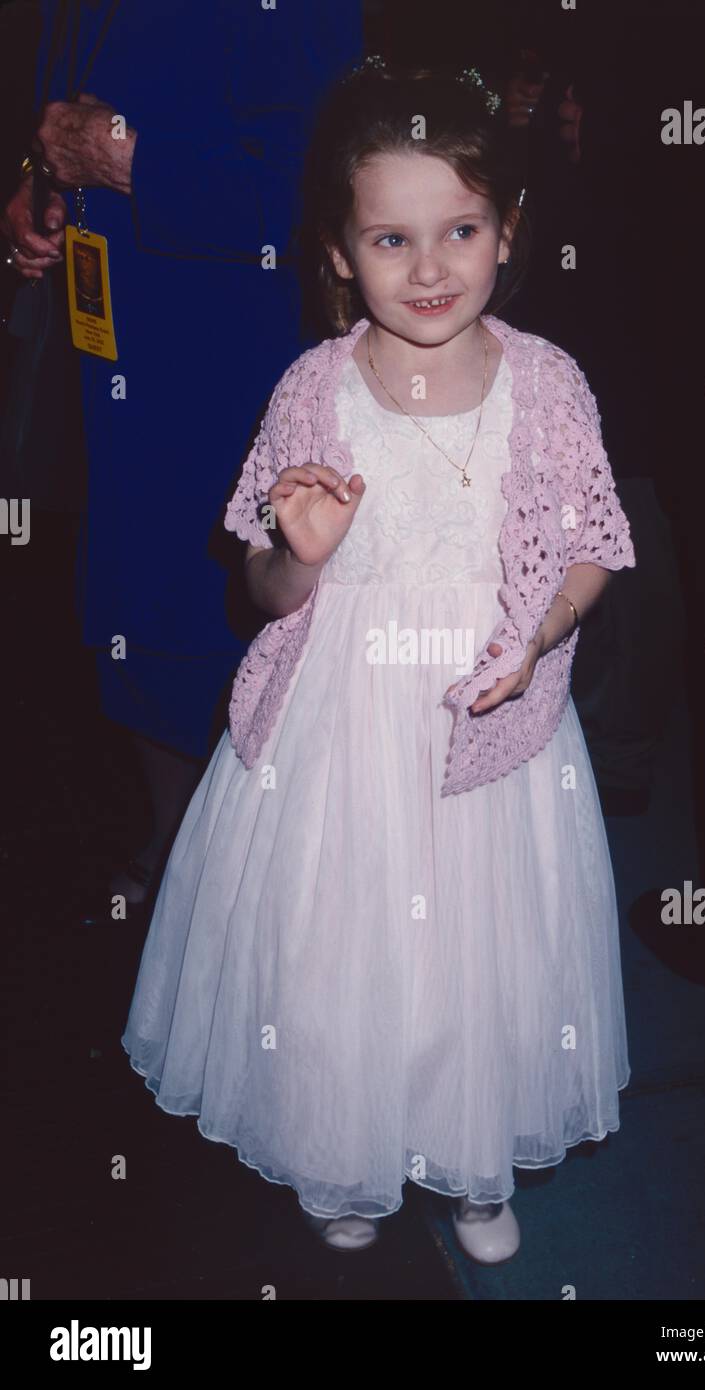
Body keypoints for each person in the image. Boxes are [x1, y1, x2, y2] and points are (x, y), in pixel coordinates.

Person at [121, 61, 636, 1264]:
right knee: (335, 947)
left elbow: (590, 554)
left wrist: (537, 637)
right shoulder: (313, 388)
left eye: (459, 229)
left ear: (507, 232)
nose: (429, 266)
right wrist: (298, 556)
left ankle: (475, 1157)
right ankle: (336, 1144)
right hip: (338, 725)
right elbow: (263, 590)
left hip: (490, 725)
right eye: (391, 238)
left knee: (482, 952)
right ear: (342, 254)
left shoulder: (548, 386)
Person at [1, 0, 362, 915]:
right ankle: (175, 851)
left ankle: (244, 882)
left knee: (217, 620)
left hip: (223, 363)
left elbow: (328, 190)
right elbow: (67, 110)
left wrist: (131, 164)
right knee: (129, 608)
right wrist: (39, 185)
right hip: (105, 353)